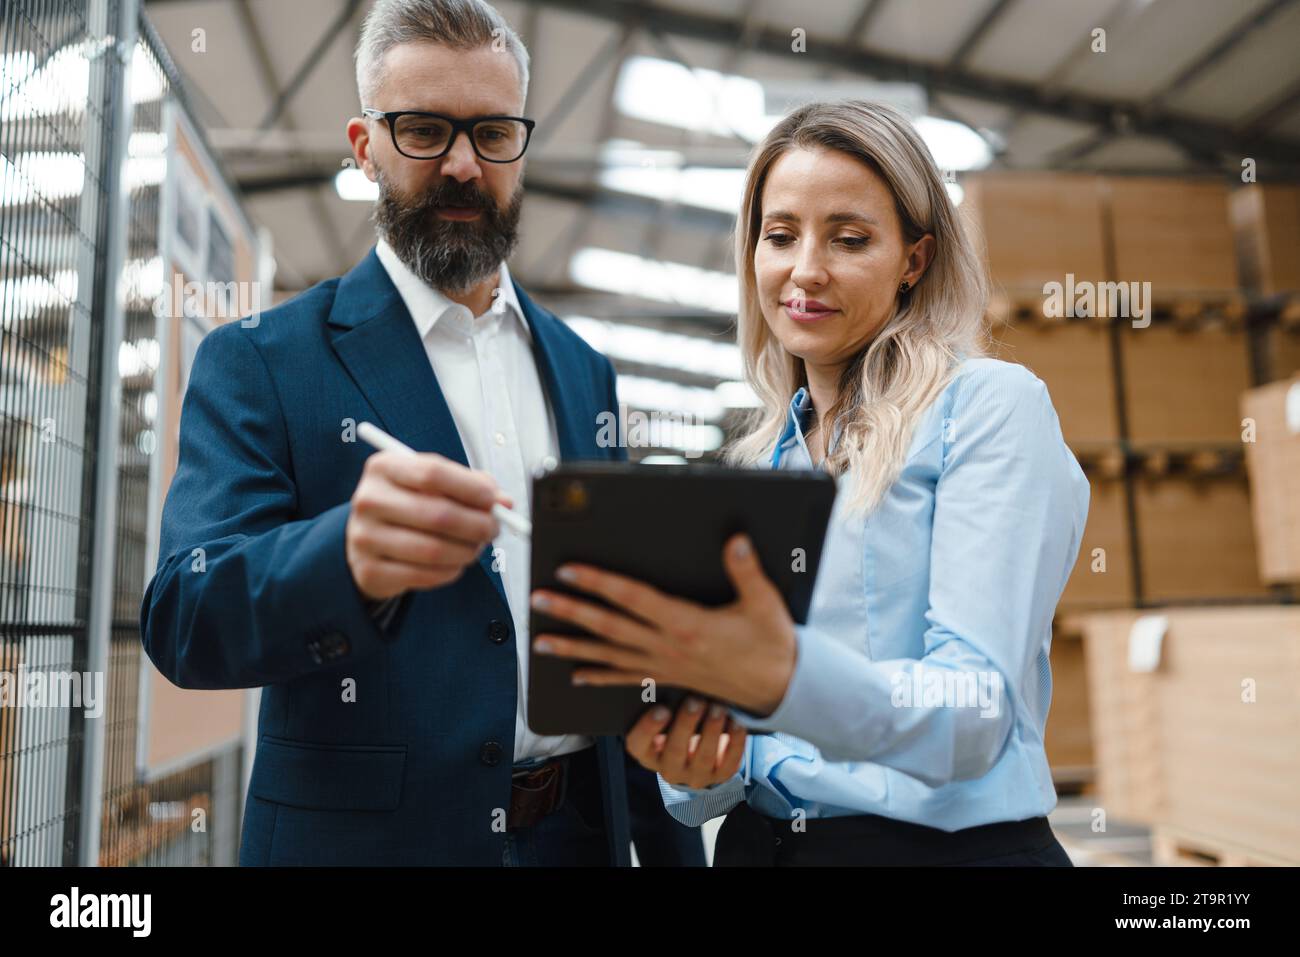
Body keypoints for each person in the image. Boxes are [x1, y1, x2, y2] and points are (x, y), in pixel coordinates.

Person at [140, 0, 703, 867]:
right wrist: (346, 559)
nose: (464, 165)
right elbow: (185, 614)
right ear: (365, 147)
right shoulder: (264, 362)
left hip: (575, 841)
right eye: (425, 130)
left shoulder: (583, 366)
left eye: (492, 133)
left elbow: (607, 634)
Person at [530, 100, 1090, 866]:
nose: (805, 270)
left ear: (914, 261)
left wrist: (780, 678)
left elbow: (972, 710)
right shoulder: (762, 469)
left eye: (850, 238)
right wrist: (695, 762)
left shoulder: (988, 406)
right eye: (780, 235)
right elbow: (707, 788)